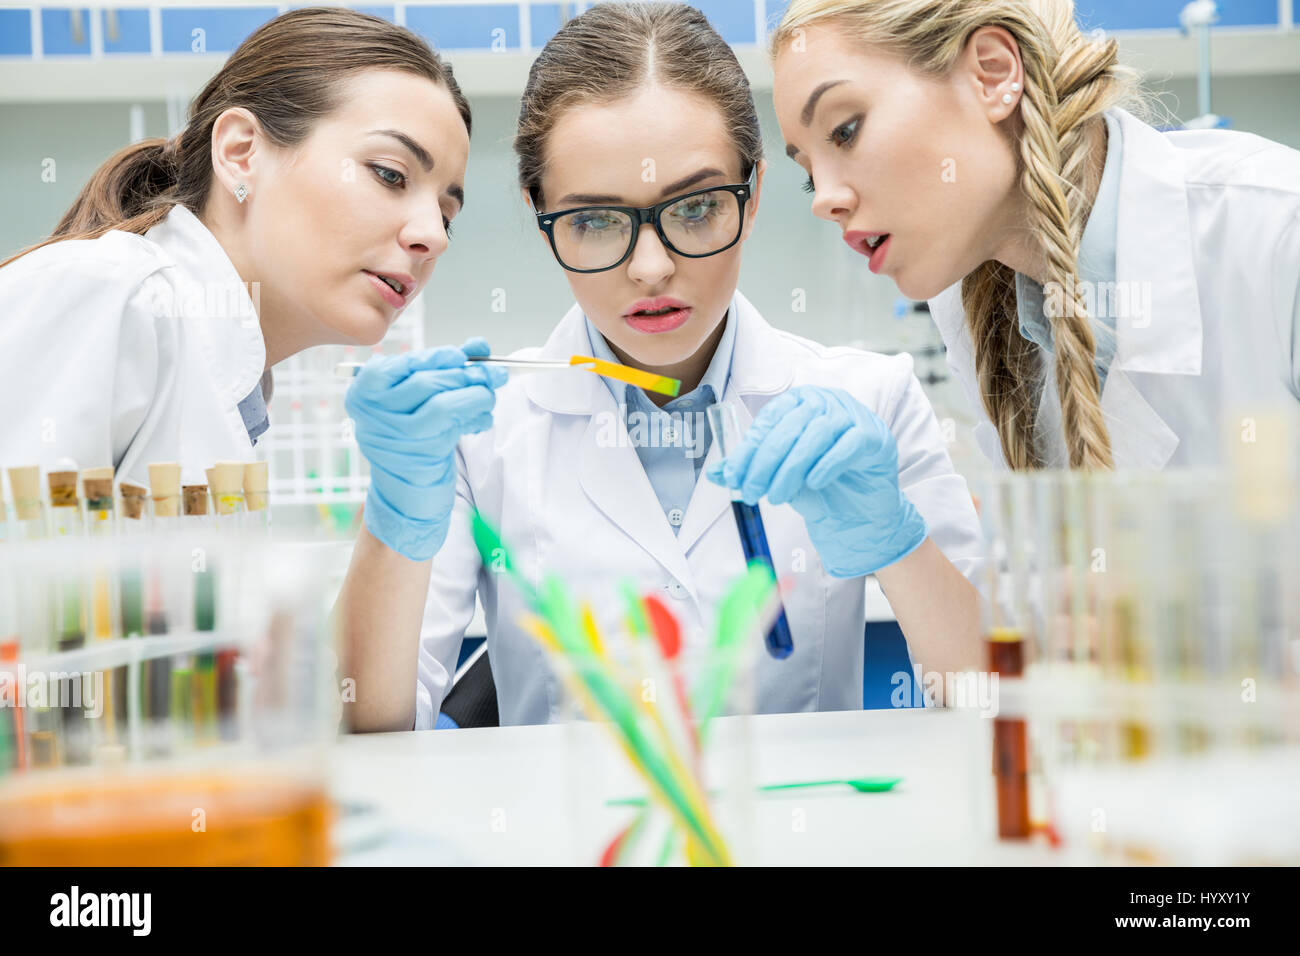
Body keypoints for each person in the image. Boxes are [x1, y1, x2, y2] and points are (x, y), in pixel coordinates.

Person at [338, 2, 984, 732]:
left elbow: (995, 701)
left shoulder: (873, 400)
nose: (651, 267)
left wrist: (896, 545)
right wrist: (390, 524)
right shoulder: (475, 435)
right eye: (591, 221)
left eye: (697, 208)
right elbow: (369, 730)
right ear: (538, 210)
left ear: (755, 190)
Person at [770, 0, 1300, 471]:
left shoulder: (1278, 230)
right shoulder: (968, 306)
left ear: (994, 74)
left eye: (845, 130)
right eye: (809, 173)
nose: (824, 200)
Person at [0, 7, 493, 489]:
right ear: (241, 153)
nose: (433, 238)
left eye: (448, 216)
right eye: (390, 174)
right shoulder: (110, 298)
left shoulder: (233, 380)